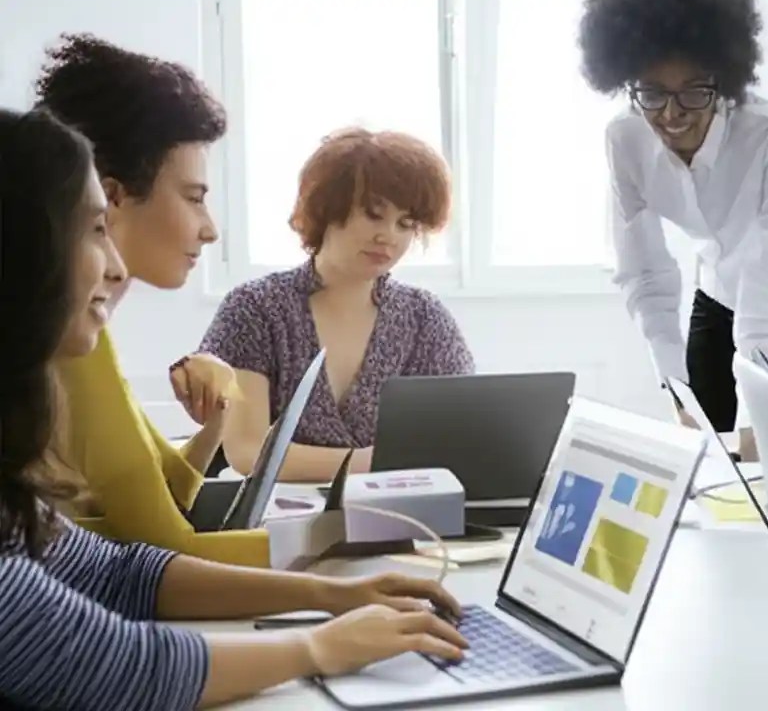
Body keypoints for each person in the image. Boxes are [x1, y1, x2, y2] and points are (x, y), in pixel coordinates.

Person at [0, 105, 469, 711]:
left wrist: (336, 598)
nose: (115, 267)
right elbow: (115, 665)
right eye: (95, 229)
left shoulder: (423, 313)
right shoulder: (258, 307)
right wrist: (320, 646)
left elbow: (120, 573)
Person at [578, 0, 768, 444]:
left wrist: (757, 416)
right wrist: (676, 389)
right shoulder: (625, 138)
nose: (671, 114)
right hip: (718, 290)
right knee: (700, 445)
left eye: (693, 91)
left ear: (723, 81)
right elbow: (645, 274)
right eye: (651, 92)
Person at [35, 33, 262, 564]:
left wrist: (214, 423)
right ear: (112, 197)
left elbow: (162, 495)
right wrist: (340, 545)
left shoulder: (86, 329)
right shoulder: (65, 340)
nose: (209, 230)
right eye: (194, 199)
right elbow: (166, 550)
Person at [199, 127, 474, 482]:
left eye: (406, 223)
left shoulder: (425, 317)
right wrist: (378, 462)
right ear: (327, 208)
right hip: (279, 524)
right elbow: (248, 451)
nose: (388, 236)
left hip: (402, 519)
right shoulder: (254, 308)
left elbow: (464, 438)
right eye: (373, 214)